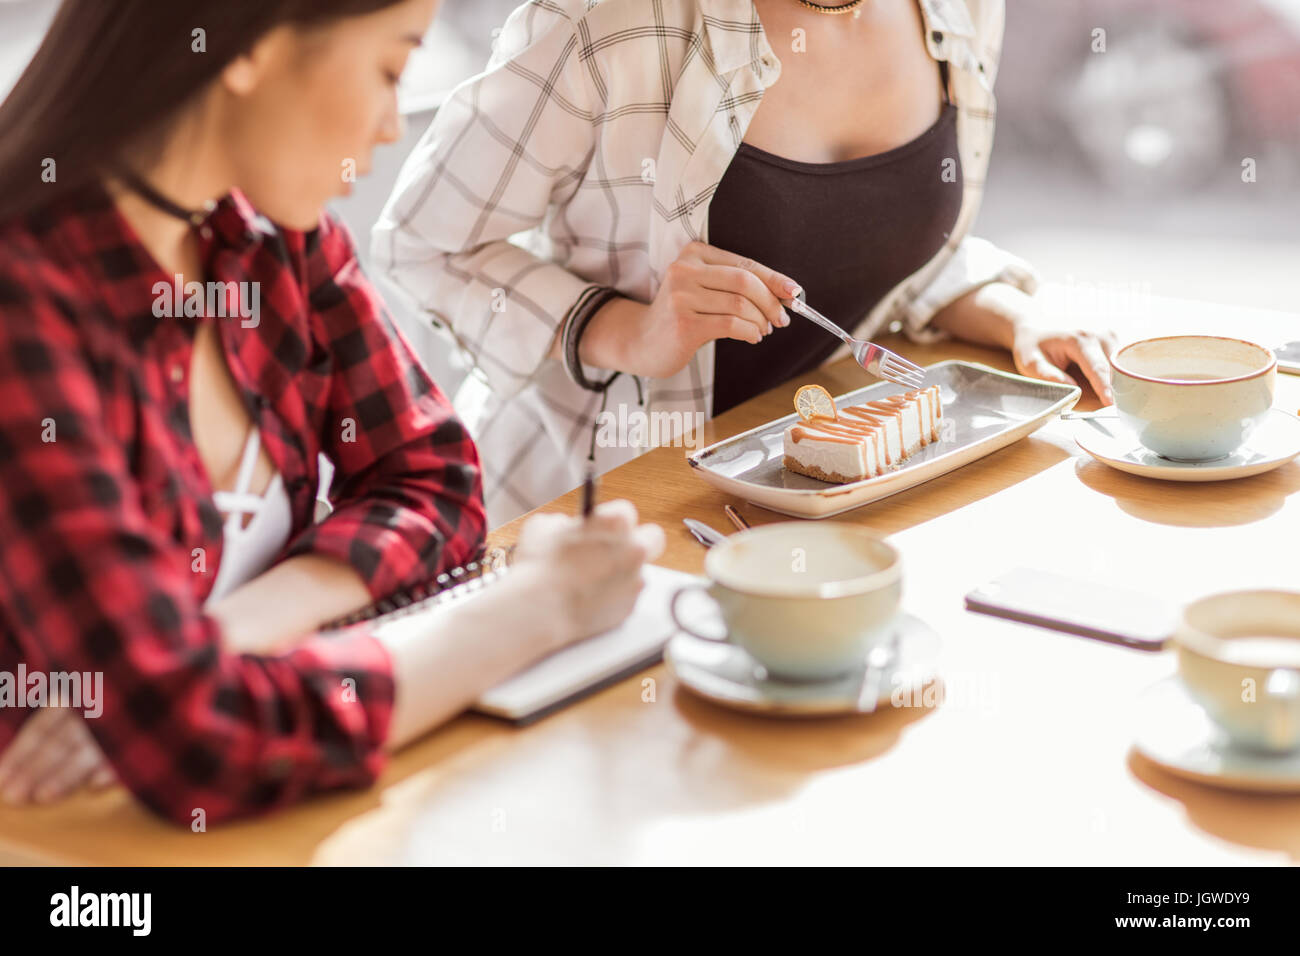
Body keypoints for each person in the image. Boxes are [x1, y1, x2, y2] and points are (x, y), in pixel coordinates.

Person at [0, 0, 662, 822]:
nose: (391, 127)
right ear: (245, 49)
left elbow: (434, 477)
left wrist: (229, 634)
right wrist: (534, 608)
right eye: (390, 69)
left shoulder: (273, 235)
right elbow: (196, 739)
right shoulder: (23, 303)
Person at [374, 0, 1120, 525]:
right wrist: (629, 330)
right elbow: (423, 243)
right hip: (601, 517)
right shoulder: (604, 22)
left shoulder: (956, 11)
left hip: (829, 502)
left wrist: (1015, 313)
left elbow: (868, 250)